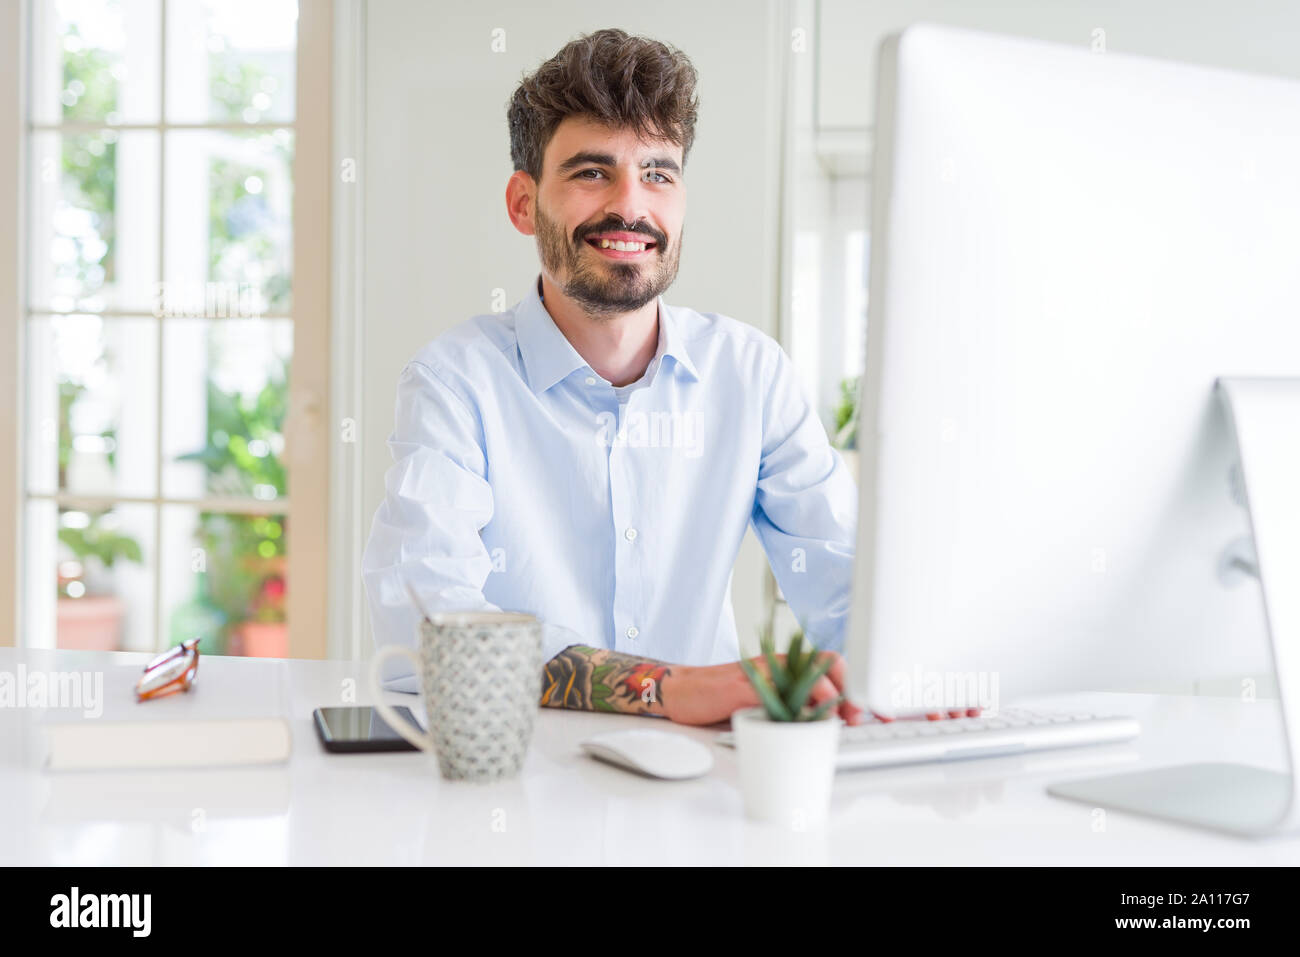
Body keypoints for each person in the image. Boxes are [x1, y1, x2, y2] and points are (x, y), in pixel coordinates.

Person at [362, 28, 974, 726]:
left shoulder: (751, 374)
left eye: (658, 172)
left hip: (708, 787)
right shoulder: (455, 382)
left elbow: (847, 587)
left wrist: (919, 676)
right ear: (524, 203)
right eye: (592, 172)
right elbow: (427, 623)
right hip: (523, 781)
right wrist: (664, 687)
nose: (632, 205)